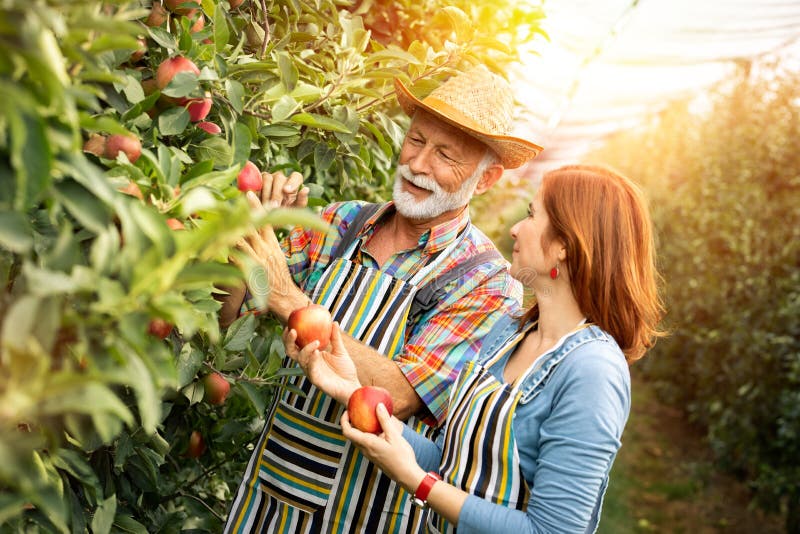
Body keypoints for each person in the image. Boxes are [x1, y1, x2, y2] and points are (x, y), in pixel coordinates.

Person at [223, 65, 544, 533]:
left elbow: (398, 395)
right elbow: (229, 315)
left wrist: (287, 298)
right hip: (269, 501)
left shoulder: (485, 283)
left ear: (488, 177)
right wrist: (251, 232)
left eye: (444, 155)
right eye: (416, 141)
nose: (417, 164)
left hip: (367, 514)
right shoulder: (343, 222)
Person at [285, 164, 665, 533]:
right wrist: (352, 390)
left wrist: (418, 482)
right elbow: (454, 465)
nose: (516, 229)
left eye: (533, 216)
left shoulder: (592, 370)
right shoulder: (509, 336)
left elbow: (552, 529)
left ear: (564, 246)